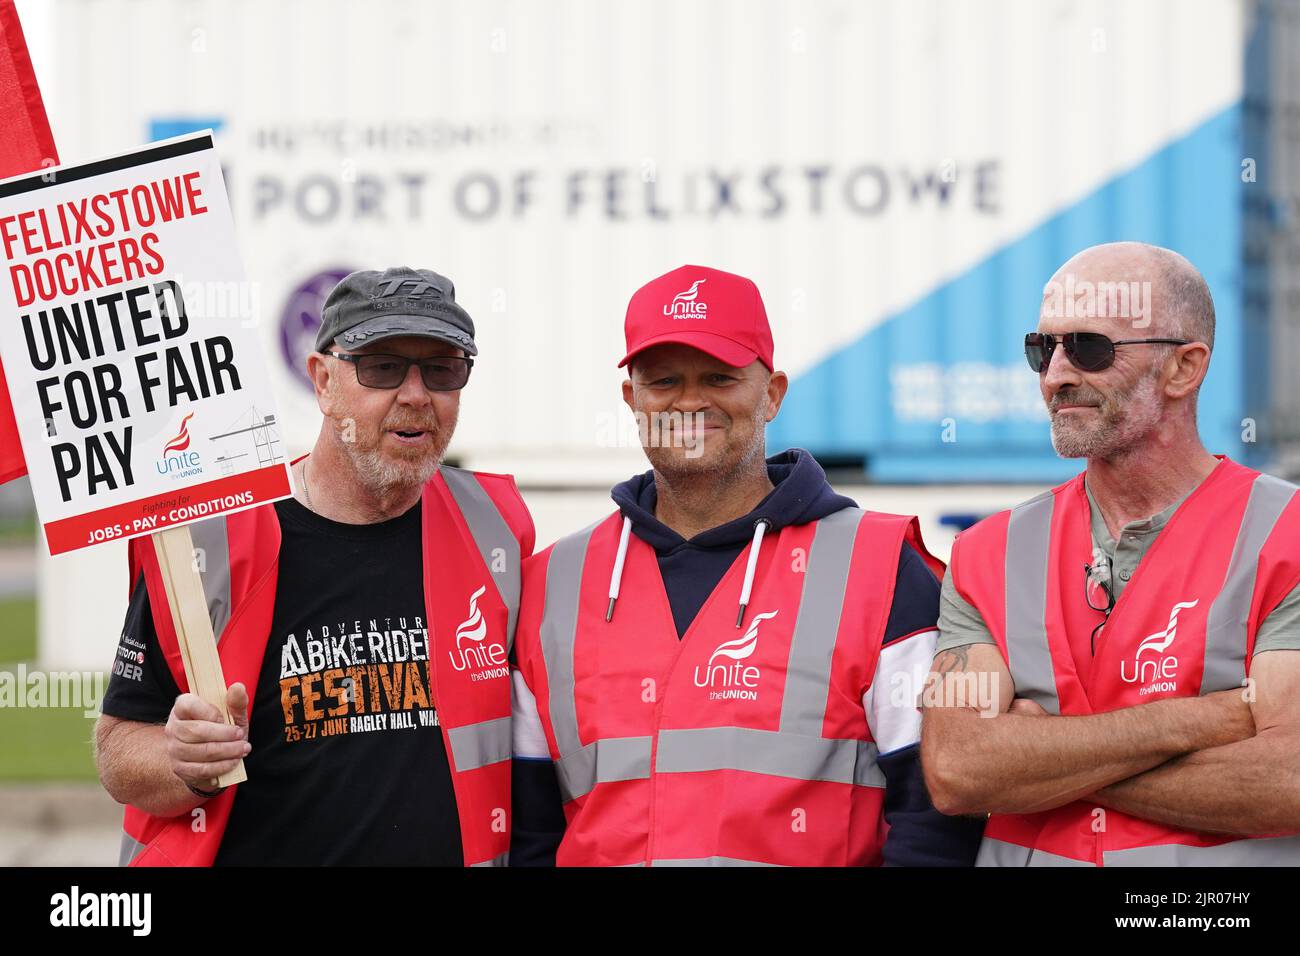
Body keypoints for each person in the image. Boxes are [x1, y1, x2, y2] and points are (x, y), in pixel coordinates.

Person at [510, 264, 984, 866]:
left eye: (719, 377)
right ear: (631, 398)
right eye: (663, 381)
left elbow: (934, 818)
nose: (689, 401)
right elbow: (529, 832)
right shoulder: (552, 583)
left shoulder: (880, 567)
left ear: (773, 393)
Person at [95, 267, 533, 866]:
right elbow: (118, 747)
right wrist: (180, 760)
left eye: (442, 369)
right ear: (323, 380)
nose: (414, 394)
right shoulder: (211, 538)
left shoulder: (497, 527)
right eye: (381, 367)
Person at [921, 241, 1300, 866]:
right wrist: (1201, 721)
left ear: (1185, 367)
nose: (1056, 375)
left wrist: (1039, 761)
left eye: (1090, 349)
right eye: (1042, 350)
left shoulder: (1287, 534)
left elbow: (1287, 781)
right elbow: (959, 771)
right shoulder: (988, 552)